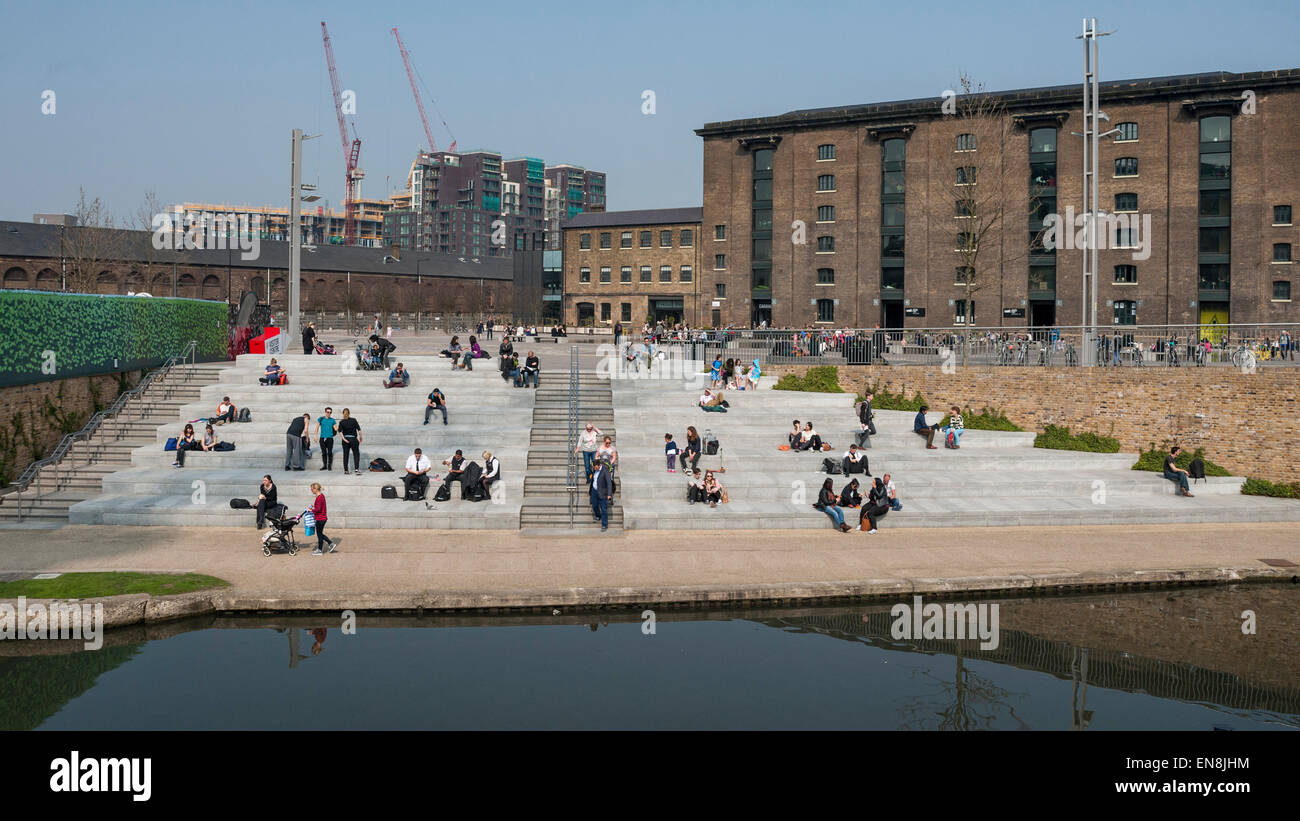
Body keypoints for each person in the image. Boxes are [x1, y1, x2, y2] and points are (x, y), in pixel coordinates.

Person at [308, 483, 336, 555]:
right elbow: (319, 507)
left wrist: (311, 510)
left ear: (315, 489)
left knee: (319, 535)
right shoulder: (320, 496)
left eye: (312, 489)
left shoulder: (319, 497)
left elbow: (318, 509)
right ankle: (329, 544)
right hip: (322, 518)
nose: (311, 490)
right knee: (320, 534)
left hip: (320, 518)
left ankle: (321, 549)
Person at [590, 459, 615, 531]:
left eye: (596, 467)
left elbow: (609, 483)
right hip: (594, 491)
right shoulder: (595, 469)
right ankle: (598, 515)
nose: (595, 468)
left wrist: (609, 494)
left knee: (604, 509)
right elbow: (593, 480)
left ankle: (604, 525)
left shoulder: (605, 471)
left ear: (600, 465)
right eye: (594, 467)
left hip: (603, 492)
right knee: (594, 505)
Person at [338, 408, 362, 475]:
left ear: (343, 413)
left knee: (346, 455)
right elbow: (359, 429)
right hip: (353, 439)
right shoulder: (353, 420)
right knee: (356, 454)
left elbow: (340, 431)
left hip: (346, 439)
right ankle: (356, 470)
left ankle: (346, 470)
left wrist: (344, 439)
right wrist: (360, 437)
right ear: (349, 413)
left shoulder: (342, 422)